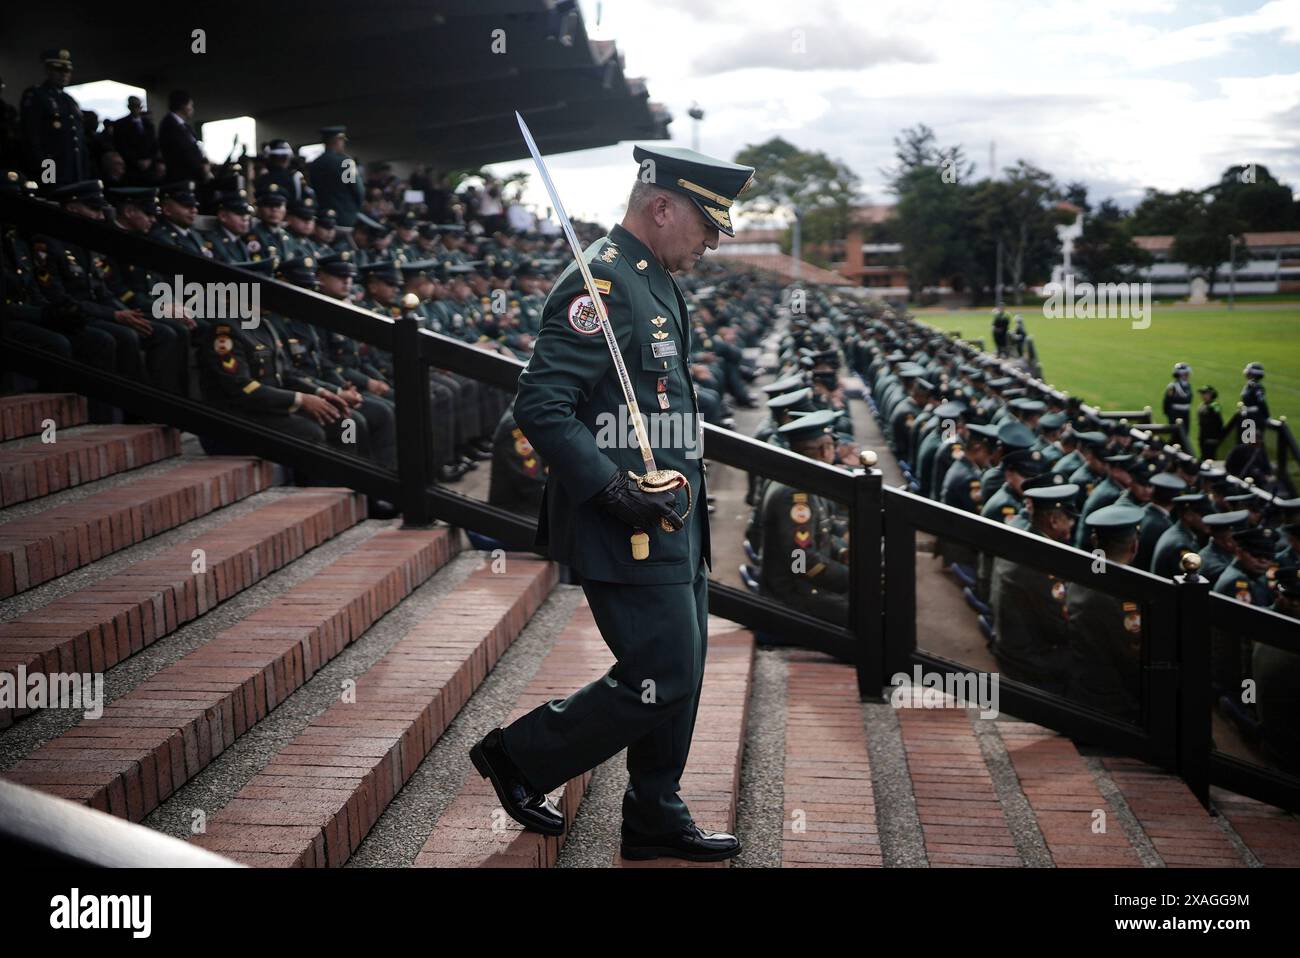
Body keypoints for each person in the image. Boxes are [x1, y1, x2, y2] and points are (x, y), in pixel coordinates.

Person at [469, 143, 754, 863]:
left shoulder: (651, 276)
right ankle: (519, 755)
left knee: (678, 670)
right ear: (662, 207)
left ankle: (655, 812)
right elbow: (542, 404)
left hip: (672, 520)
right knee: (666, 673)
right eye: (707, 222)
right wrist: (613, 488)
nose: (714, 239)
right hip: (624, 522)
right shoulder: (601, 281)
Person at [757, 409, 850, 627]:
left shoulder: (799, 478)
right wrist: (849, 577)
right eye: (831, 446)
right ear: (823, 450)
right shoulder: (796, 495)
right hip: (793, 597)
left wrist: (842, 552)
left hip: (802, 587)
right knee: (873, 615)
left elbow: (820, 534)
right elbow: (801, 560)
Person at [1066, 502, 1146, 722]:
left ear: (1094, 541)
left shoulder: (1082, 574)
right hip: (1108, 700)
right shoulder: (1118, 596)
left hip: (1083, 683)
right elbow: (1131, 663)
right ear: (1134, 546)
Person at [20, 48, 86, 185]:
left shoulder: (69, 100)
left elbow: (78, 138)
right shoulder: (37, 95)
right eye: (58, 70)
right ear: (48, 70)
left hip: (72, 168)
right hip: (50, 166)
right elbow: (32, 136)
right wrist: (46, 172)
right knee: (50, 201)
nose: (64, 75)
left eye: (67, 71)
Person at [308, 126, 363, 227]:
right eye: (342, 141)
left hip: (323, 217)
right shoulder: (345, 162)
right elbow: (357, 190)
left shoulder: (315, 164)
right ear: (337, 141)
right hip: (346, 217)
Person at [157, 91, 210, 186]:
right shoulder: (169, 124)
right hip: (182, 178)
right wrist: (200, 167)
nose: (192, 109)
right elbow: (183, 151)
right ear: (183, 106)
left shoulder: (185, 126)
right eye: (191, 105)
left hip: (193, 176)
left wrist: (204, 162)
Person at [1197, 384, 1224, 460]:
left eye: (1205, 393)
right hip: (1203, 437)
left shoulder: (1215, 405)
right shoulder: (1202, 405)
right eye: (1202, 393)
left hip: (1211, 438)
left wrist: (1216, 437)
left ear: (1211, 394)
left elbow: (1219, 422)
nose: (1203, 395)